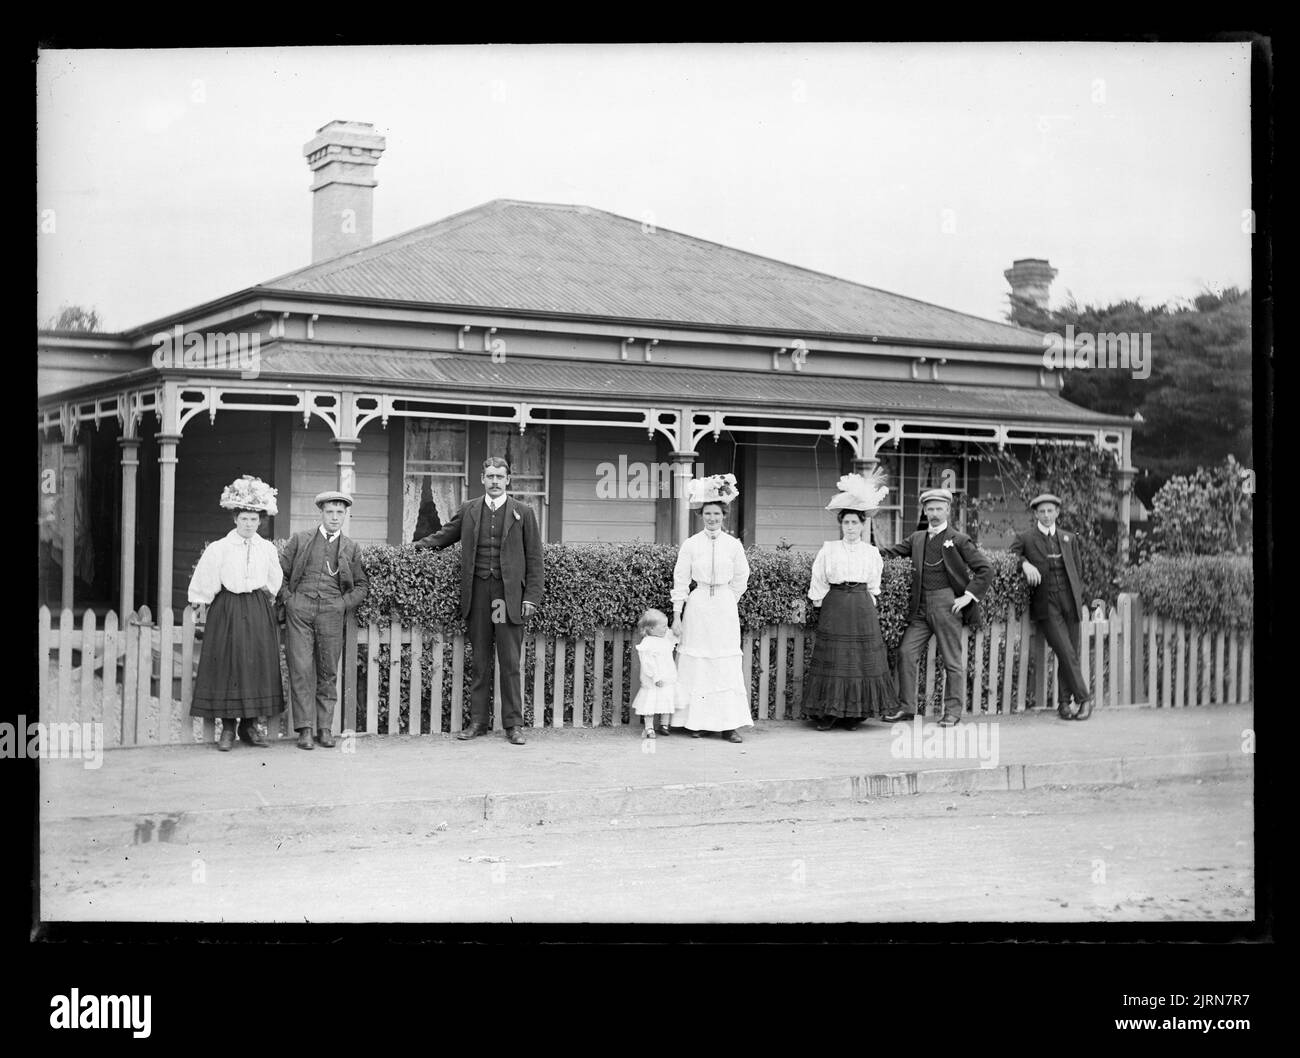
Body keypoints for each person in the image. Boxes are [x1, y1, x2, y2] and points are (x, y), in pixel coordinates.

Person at [414, 457, 544, 745]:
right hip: (479, 595)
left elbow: (535, 558)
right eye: (490, 476)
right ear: (482, 479)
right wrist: (412, 550)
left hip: (508, 596)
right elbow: (443, 536)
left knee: (510, 662)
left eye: (500, 476)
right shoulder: (470, 510)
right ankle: (477, 722)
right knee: (480, 661)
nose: (495, 481)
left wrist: (531, 598)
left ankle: (513, 725)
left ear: (508, 480)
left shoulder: (524, 512)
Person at [187, 475, 285, 752]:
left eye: (254, 520)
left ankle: (250, 725)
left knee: (256, 663)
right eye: (244, 519)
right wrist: (202, 614)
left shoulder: (266, 548)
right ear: (235, 519)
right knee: (229, 664)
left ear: (260, 521)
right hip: (227, 608)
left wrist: (262, 600)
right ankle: (228, 728)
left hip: (256, 608)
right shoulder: (219, 548)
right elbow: (203, 585)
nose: (249, 525)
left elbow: (274, 580)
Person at [880, 487, 991, 727]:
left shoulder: (960, 540)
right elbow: (890, 553)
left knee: (951, 660)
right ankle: (907, 708)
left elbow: (985, 569)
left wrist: (968, 596)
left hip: (947, 605)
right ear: (924, 510)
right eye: (930, 509)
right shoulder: (918, 538)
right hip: (921, 607)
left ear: (948, 510)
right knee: (906, 653)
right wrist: (863, 551)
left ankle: (953, 711)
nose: (934, 513)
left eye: (939, 508)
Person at [801, 470, 899, 730]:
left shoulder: (871, 552)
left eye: (856, 523)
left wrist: (865, 602)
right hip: (835, 605)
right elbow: (819, 581)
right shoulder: (829, 549)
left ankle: (853, 714)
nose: (851, 528)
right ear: (841, 524)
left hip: (861, 606)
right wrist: (823, 605)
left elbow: (874, 585)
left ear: (863, 524)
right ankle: (829, 714)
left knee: (858, 659)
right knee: (835, 658)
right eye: (847, 523)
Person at [280, 491, 370, 750]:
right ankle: (305, 730)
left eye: (339, 512)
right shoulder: (301, 539)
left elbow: (361, 585)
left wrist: (342, 603)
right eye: (330, 512)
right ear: (320, 512)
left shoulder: (351, 547)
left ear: (345, 515)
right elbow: (280, 574)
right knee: (300, 670)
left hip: (331, 612)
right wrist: (290, 600)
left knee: (328, 671)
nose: (334, 517)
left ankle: (324, 729)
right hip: (301, 610)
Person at [670, 474, 751, 743]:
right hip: (699, 604)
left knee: (724, 662)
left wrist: (728, 600)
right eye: (707, 513)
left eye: (716, 513)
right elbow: (680, 580)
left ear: (724, 515)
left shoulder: (733, 545)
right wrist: (677, 616)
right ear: (701, 515)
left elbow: (741, 578)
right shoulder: (691, 544)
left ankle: (729, 725)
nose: (712, 518)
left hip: (725, 608)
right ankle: (697, 722)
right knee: (699, 661)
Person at [1009, 493, 1094, 720]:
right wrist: (1025, 564)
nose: (1047, 515)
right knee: (1065, 650)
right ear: (1036, 514)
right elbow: (1011, 557)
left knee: (1069, 653)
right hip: (1047, 603)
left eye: (1050, 511)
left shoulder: (1068, 538)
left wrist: (1076, 595)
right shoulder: (1026, 538)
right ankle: (1085, 698)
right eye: (1042, 511)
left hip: (1070, 600)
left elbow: (1077, 570)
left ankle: (1064, 703)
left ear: (1057, 512)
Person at [632, 609, 677, 739]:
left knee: (666, 700)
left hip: (667, 677)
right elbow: (648, 663)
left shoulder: (665, 639)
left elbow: (675, 635)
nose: (666, 629)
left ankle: (664, 725)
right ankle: (649, 727)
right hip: (653, 680)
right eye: (663, 626)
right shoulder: (648, 643)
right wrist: (656, 677)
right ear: (651, 628)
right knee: (650, 703)